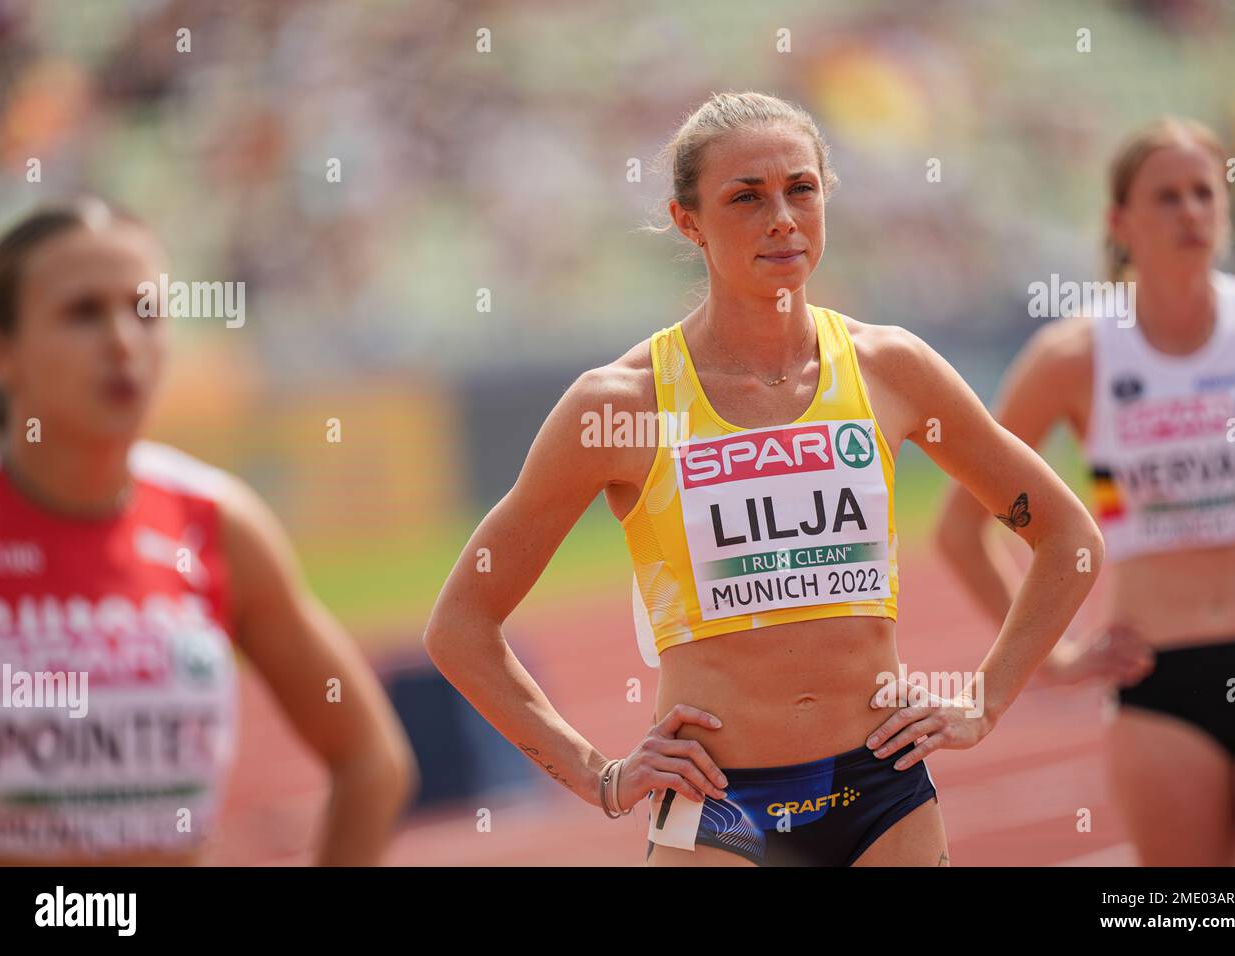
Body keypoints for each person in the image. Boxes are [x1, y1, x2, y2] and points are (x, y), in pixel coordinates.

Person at [424, 91, 1103, 866]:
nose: (781, 216)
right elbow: (461, 625)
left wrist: (982, 703)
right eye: (746, 197)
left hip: (885, 795)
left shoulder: (893, 371)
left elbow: (1067, 536)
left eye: (801, 189)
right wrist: (599, 776)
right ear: (688, 222)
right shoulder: (620, 405)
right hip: (721, 812)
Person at [0, 199, 417, 865]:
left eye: (145, 310)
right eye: (82, 312)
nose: (123, 341)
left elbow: (371, 762)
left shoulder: (217, 522)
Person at [935, 117, 1235, 866]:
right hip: (1159, 681)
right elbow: (961, 526)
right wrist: (1052, 656)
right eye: (1167, 196)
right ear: (1120, 221)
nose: (1192, 211)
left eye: (1204, 193)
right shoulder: (1075, 357)